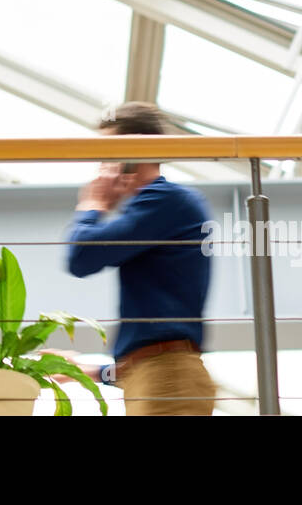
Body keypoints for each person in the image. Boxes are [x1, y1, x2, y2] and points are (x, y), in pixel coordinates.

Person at [61, 102, 216, 415]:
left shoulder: (166, 199)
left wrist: (93, 205)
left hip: (167, 379)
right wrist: (93, 372)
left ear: (135, 152)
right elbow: (153, 345)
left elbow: (81, 255)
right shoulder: (158, 210)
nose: (104, 167)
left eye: (110, 155)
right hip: (155, 378)